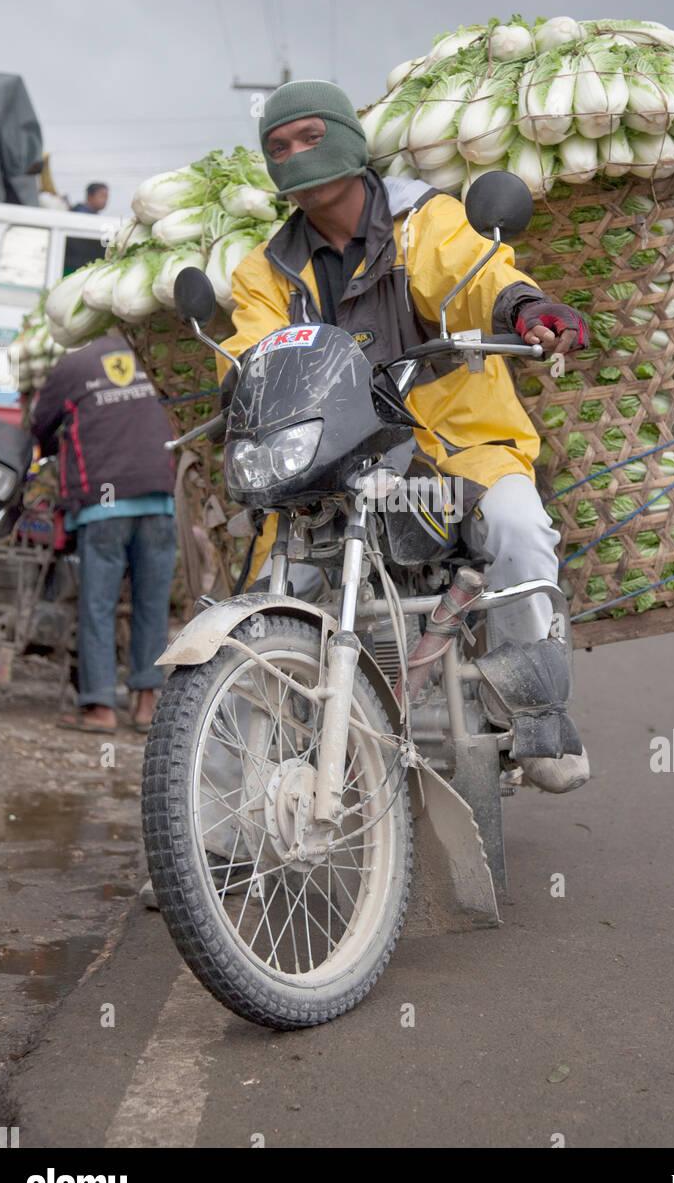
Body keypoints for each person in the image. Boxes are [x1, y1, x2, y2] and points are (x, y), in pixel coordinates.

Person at [218, 80, 591, 793]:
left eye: (307, 137)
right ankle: (221, 820)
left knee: (517, 529)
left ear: (350, 143)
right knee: (257, 612)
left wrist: (524, 305)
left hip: (457, 449)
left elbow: (475, 272)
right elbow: (249, 347)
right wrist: (238, 380)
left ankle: (534, 715)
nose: (293, 156)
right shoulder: (263, 269)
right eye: (277, 147)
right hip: (330, 474)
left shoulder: (424, 220)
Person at [29, 336, 176, 733]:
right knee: (151, 603)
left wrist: (44, 450)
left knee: (98, 605)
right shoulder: (149, 352)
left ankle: (101, 708)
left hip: (105, 500)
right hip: (158, 495)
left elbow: (39, 425)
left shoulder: (73, 365)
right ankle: (146, 704)